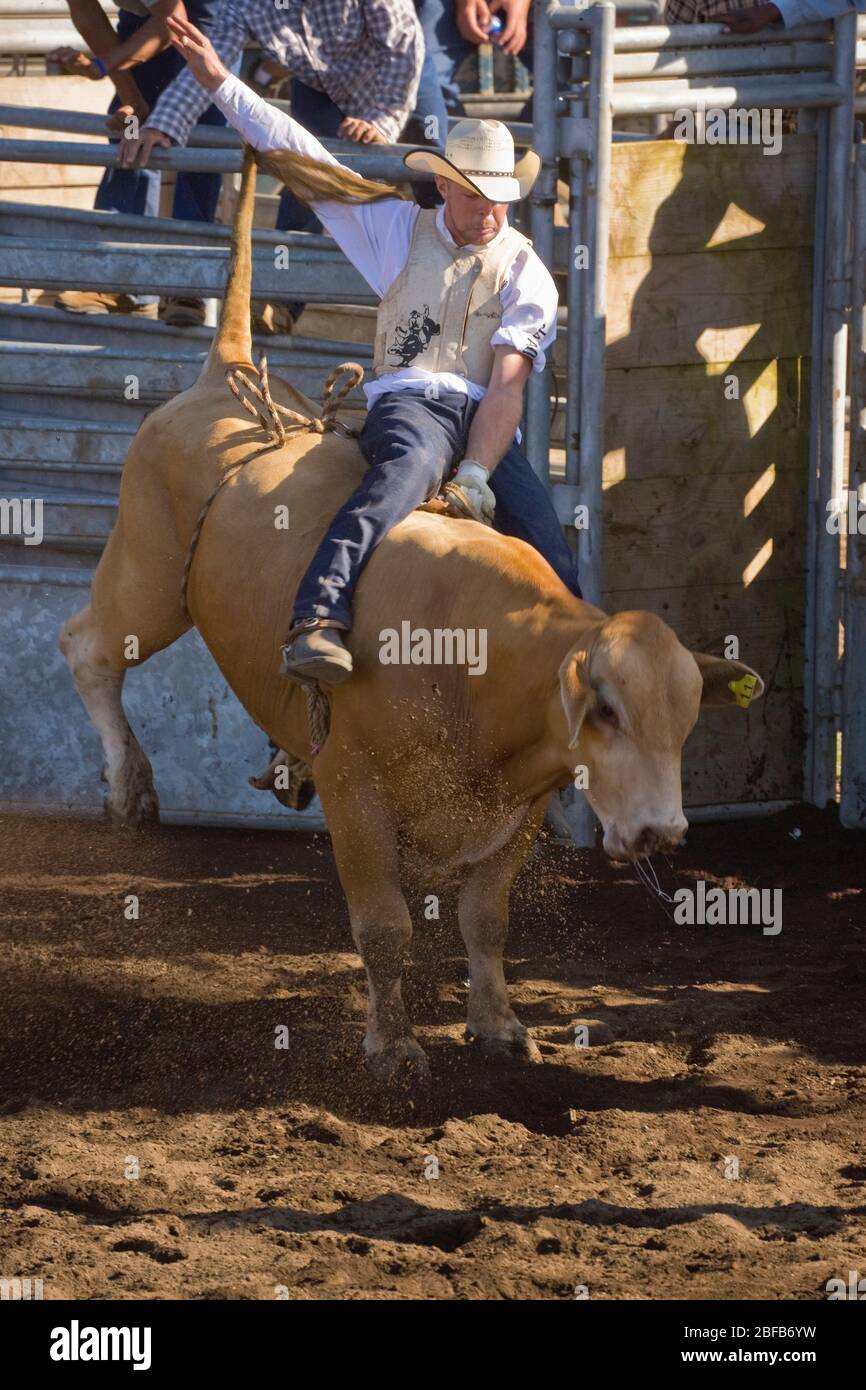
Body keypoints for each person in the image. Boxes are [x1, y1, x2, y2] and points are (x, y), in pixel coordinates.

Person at [163, 13, 580, 685]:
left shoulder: (526, 269)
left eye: (502, 200)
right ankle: (317, 615)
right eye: (477, 197)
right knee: (407, 469)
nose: (492, 214)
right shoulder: (392, 229)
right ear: (443, 185)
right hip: (409, 405)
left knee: (550, 550)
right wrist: (221, 83)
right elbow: (302, 154)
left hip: (485, 422)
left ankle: (574, 672)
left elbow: (506, 387)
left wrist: (475, 472)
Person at [49, 0, 227, 326]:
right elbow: (87, 12)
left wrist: (103, 66)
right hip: (145, 19)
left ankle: (188, 285)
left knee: (199, 142)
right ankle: (119, 279)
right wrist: (131, 97)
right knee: (130, 130)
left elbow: (173, 20)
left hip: (208, 22)